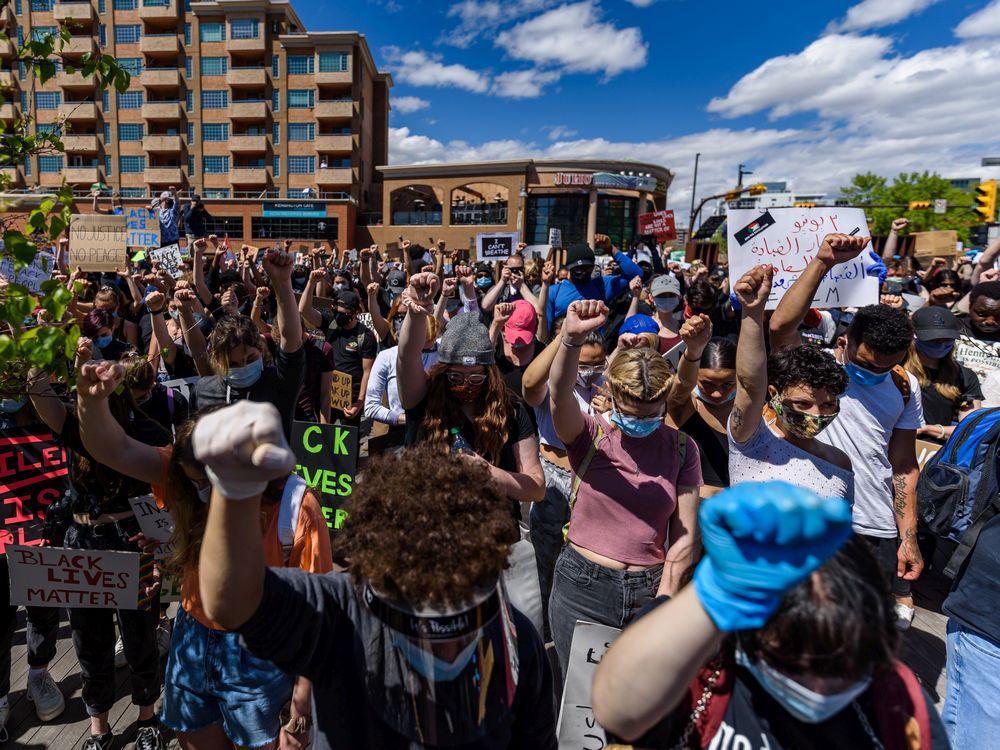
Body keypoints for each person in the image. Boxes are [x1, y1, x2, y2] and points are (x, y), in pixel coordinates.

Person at [192, 409, 558, 749]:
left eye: (463, 616)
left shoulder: (518, 639)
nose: (447, 650)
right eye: (424, 623)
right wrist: (234, 489)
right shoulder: (340, 614)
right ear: (382, 584)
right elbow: (231, 600)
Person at [74, 363, 332, 750]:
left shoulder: (296, 508)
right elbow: (114, 449)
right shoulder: (186, 472)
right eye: (194, 483)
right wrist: (91, 401)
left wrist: (303, 701)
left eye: (211, 483)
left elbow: (317, 615)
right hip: (192, 635)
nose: (201, 494)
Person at [591, 482, 948, 749]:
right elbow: (617, 711)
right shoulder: (693, 651)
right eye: (797, 661)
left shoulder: (900, 706)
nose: (820, 687)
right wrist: (715, 595)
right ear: (751, 634)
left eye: (840, 666)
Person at [771, 233, 925, 630]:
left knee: (856, 633)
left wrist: (907, 538)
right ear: (844, 342)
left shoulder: (904, 385)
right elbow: (781, 326)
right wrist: (823, 262)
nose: (876, 373)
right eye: (867, 364)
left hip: (874, 529)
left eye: (886, 366)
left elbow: (904, 466)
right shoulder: (818, 370)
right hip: (811, 522)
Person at [547, 298, 702, 674]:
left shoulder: (682, 448)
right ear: (612, 398)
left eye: (651, 414)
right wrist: (570, 339)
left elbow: (684, 535)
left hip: (650, 588)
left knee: (639, 693)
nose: (641, 422)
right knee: (581, 698)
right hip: (584, 587)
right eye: (632, 413)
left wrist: (665, 596)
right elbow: (559, 394)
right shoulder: (589, 434)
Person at [397, 273, 545, 633]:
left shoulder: (511, 409)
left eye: (475, 378)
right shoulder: (423, 401)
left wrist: (490, 474)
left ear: (490, 373)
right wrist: (418, 313)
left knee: (507, 638)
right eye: (456, 378)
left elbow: (536, 486)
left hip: (496, 544)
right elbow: (406, 355)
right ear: (443, 371)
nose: (465, 386)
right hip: (433, 542)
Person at [729, 265, 854, 499]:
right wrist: (752, 312)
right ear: (774, 394)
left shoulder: (839, 463)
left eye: (827, 405)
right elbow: (749, 385)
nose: (816, 415)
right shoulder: (751, 439)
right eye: (802, 404)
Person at [521, 323, 608, 634]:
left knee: (585, 556)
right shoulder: (555, 382)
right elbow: (529, 384)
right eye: (583, 364)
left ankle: (576, 624)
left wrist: (612, 409)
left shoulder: (607, 385)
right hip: (555, 477)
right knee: (545, 555)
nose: (590, 372)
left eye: (597, 364)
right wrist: (564, 337)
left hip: (592, 479)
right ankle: (542, 627)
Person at [0, 390, 65, 742]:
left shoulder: (49, 416)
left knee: (43, 610)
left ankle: (39, 675)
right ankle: (1, 696)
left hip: (40, 536)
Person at [191, 248, 305, 437]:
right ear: (218, 360)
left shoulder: (279, 383)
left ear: (261, 350)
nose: (243, 368)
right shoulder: (203, 390)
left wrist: (283, 283)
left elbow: (291, 340)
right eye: (233, 364)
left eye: (251, 359)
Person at [666, 315, 735, 493]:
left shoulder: (750, 409)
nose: (717, 393)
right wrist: (694, 350)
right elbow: (683, 383)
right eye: (708, 384)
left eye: (727, 384)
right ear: (695, 375)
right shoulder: (683, 406)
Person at [300, 283, 377, 426]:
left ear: (354, 313)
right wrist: (311, 282)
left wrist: (359, 403)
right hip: (326, 393)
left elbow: (367, 372)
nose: (338, 316)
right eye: (336, 311)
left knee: (346, 438)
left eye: (343, 314)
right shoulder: (330, 322)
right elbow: (304, 310)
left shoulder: (365, 336)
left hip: (349, 399)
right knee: (321, 434)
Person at [904, 306, 982, 443]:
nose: (941, 344)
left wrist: (927, 429)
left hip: (935, 449)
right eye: (933, 340)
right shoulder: (895, 368)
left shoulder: (964, 376)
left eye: (947, 339)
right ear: (914, 337)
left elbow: (970, 429)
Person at [364, 310, 439, 451]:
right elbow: (370, 407)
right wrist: (405, 419)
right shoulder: (387, 357)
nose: (421, 356)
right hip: (401, 435)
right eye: (418, 349)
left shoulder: (442, 353)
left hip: (436, 434)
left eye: (429, 349)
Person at [544, 235, 644, 334]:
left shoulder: (601, 285)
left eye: (587, 268)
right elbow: (547, 329)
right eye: (578, 269)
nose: (583, 272)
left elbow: (636, 274)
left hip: (595, 343)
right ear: (569, 267)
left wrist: (610, 248)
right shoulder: (554, 291)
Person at [490, 300, 541, 395]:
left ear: (534, 329)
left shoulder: (541, 351)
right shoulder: (496, 341)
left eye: (522, 334)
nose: (516, 342)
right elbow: (483, 357)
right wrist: (496, 323)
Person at [954, 280, 1000, 383]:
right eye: (982, 314)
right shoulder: (953, 327)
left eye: (998, 316)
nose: (990, 321)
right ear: (970, 307)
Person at [649, 273, 684, 354]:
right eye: (661, 295)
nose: (667, 299)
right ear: (651, 297)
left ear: (679, 297)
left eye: (671, 295)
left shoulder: (686, 327)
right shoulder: (642, 325)